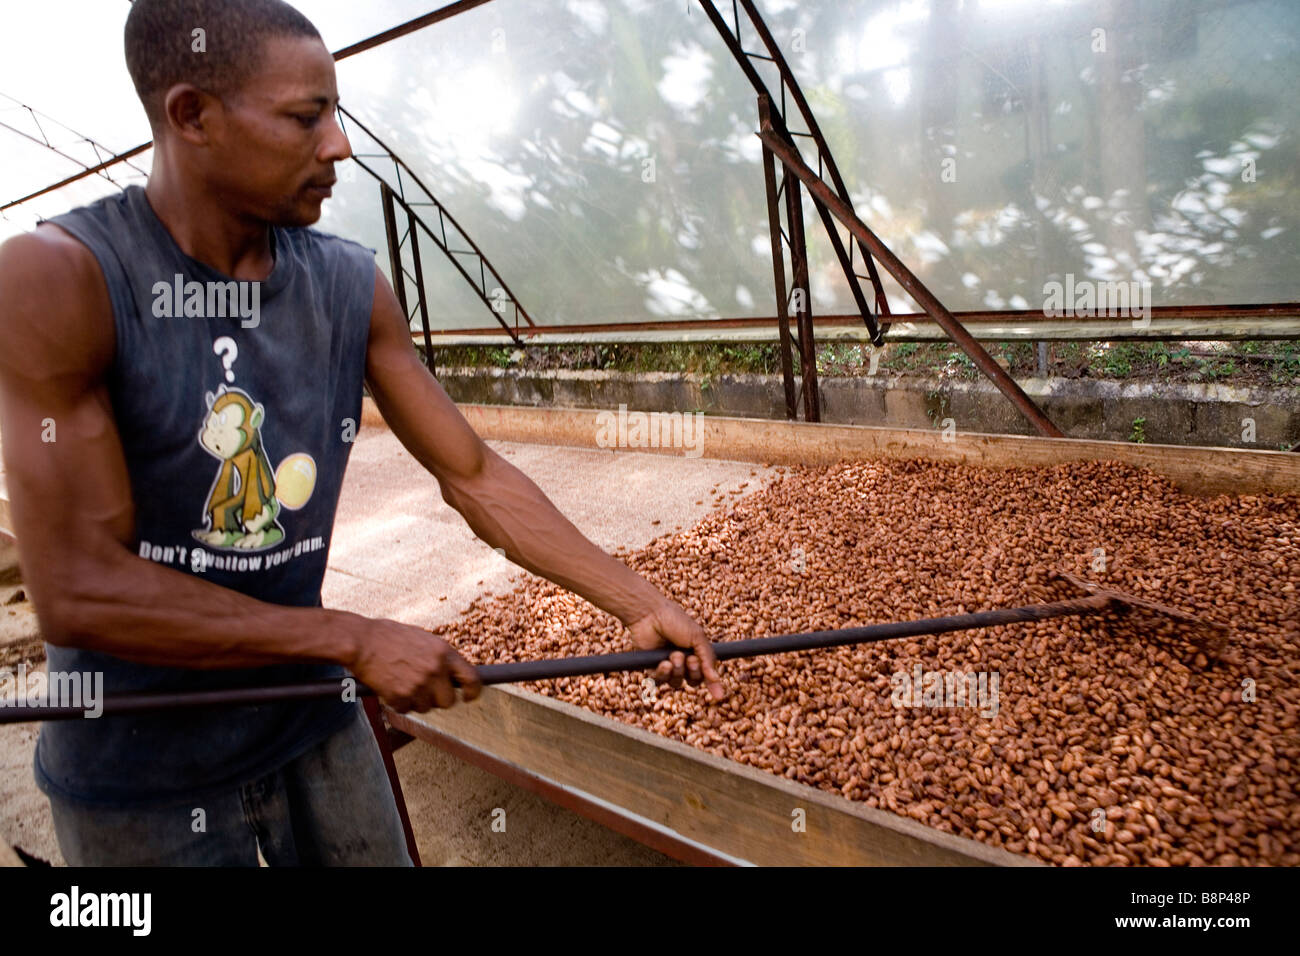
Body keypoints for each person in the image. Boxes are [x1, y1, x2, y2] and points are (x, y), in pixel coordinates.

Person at [0, 0, 725, 866]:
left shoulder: (350, 285)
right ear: (192, 115)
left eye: (336, 113)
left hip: (312, 720)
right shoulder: (58, 279)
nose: (339, 144)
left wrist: (640, 604)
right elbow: (82, 589)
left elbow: (476, 476)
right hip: (139, 773)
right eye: (306, 118)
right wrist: (353, 638)